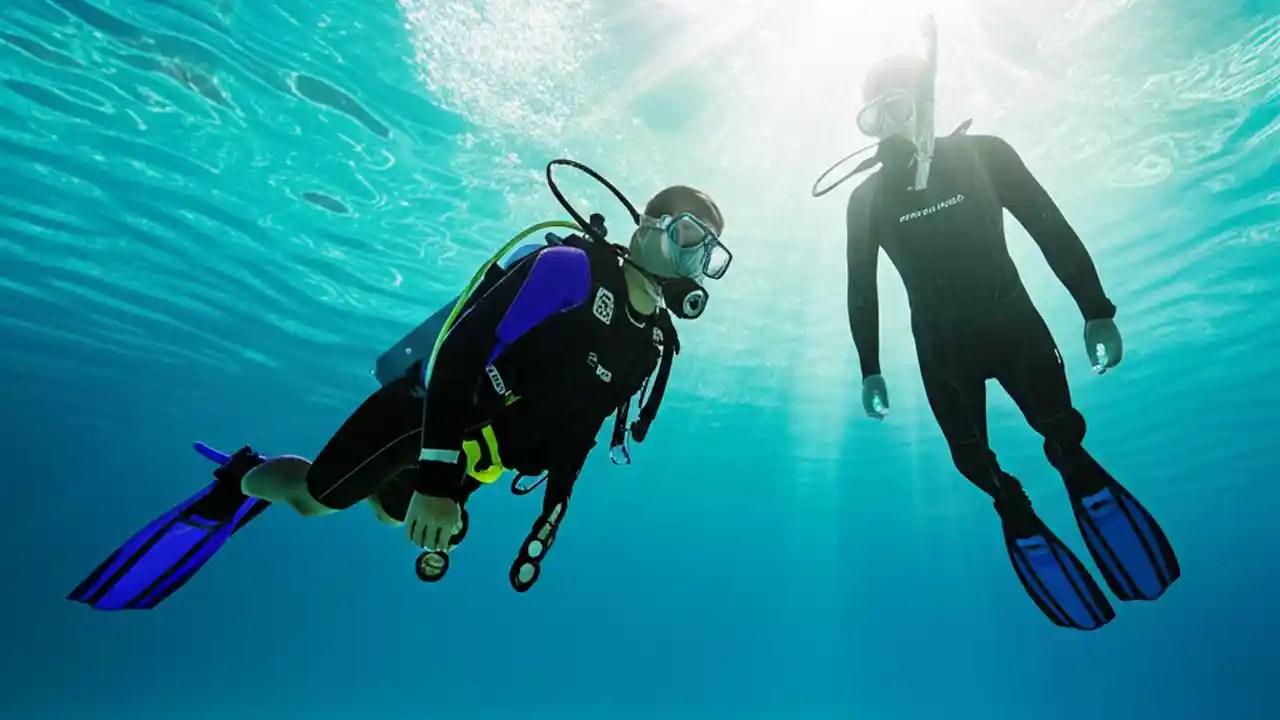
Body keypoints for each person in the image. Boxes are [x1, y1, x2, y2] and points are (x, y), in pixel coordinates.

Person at [68, 168, 732, 610]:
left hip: (478, 455)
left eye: (709, 254)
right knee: (319, 501)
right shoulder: (569, 269)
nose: (697, 262)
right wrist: (439, 480)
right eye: (690, 239)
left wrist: (548, 516)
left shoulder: (650, 348)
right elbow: (463, 351)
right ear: (647, 228)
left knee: (392, 515)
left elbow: (580, 430)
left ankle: (395, 492)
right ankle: (241, 478)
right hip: (423, 413)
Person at [840, 37, 1180, 630]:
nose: (885, 128)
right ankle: (1009, 501)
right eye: (873, 117)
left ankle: (1070, 464)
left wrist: (1096, 308)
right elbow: (861, 290)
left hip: (1016, 328)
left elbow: (1050, 226)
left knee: (1061, 432)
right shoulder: (865, 200)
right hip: (942, 352)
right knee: (972, 462)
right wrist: (869, 367)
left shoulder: (986, 155)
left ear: (927, 100)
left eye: (896, 107)